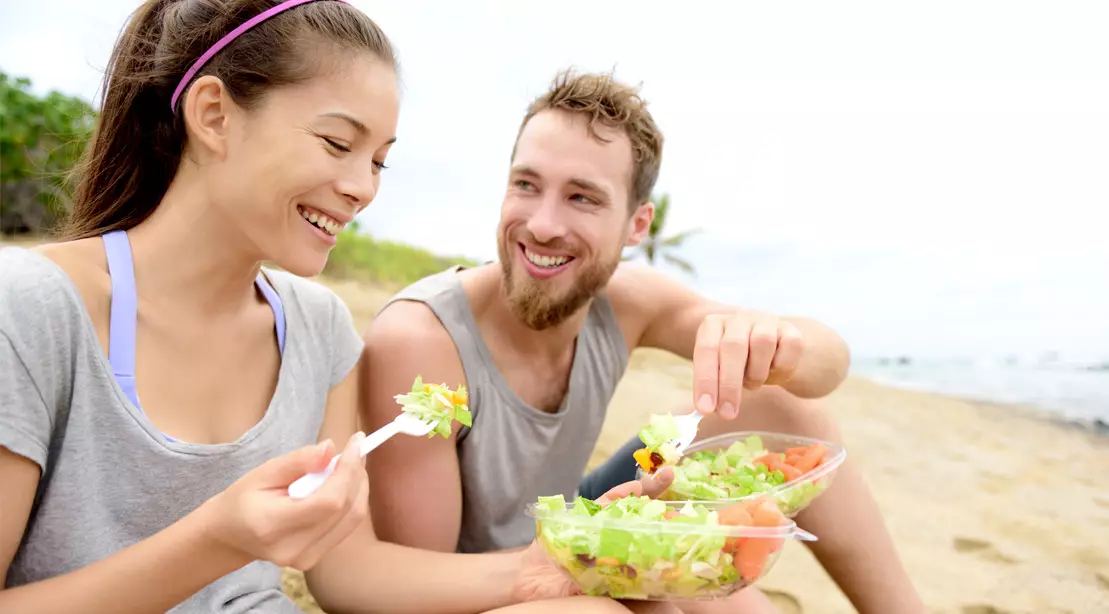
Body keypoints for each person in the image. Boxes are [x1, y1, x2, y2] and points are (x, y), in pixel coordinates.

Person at [0, 2, 673, 613]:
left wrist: (545, 567)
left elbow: (346, 574)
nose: (361, 188)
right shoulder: (33, 309)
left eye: (379, 161)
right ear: (213, 115)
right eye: (336, 143)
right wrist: (218, 537)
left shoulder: (317, 328)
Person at [361, 69, 928, 613]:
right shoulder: (422, 340)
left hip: (576, 510)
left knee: (779, 398)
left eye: (582, 197)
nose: (542, 224)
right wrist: (618, 554)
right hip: (483, 578)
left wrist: (779, 341)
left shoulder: (626, 304)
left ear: (638, 225)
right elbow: (419, 584)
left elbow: (829, 364)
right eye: (527, 185)